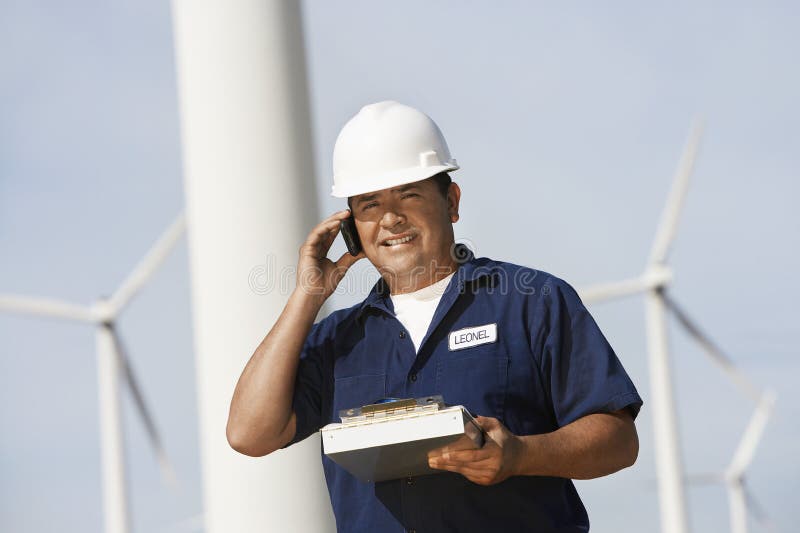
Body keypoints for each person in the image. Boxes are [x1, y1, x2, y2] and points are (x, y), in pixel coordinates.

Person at [226, 101, 642, 533]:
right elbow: (249, 433)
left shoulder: (532, 301)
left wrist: (519, 454)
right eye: (369, 204)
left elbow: (618, 440)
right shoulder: (336, 340)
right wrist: (307, 296)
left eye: (409, 194)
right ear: (352, 227)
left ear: (451, 201)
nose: (391, 218)